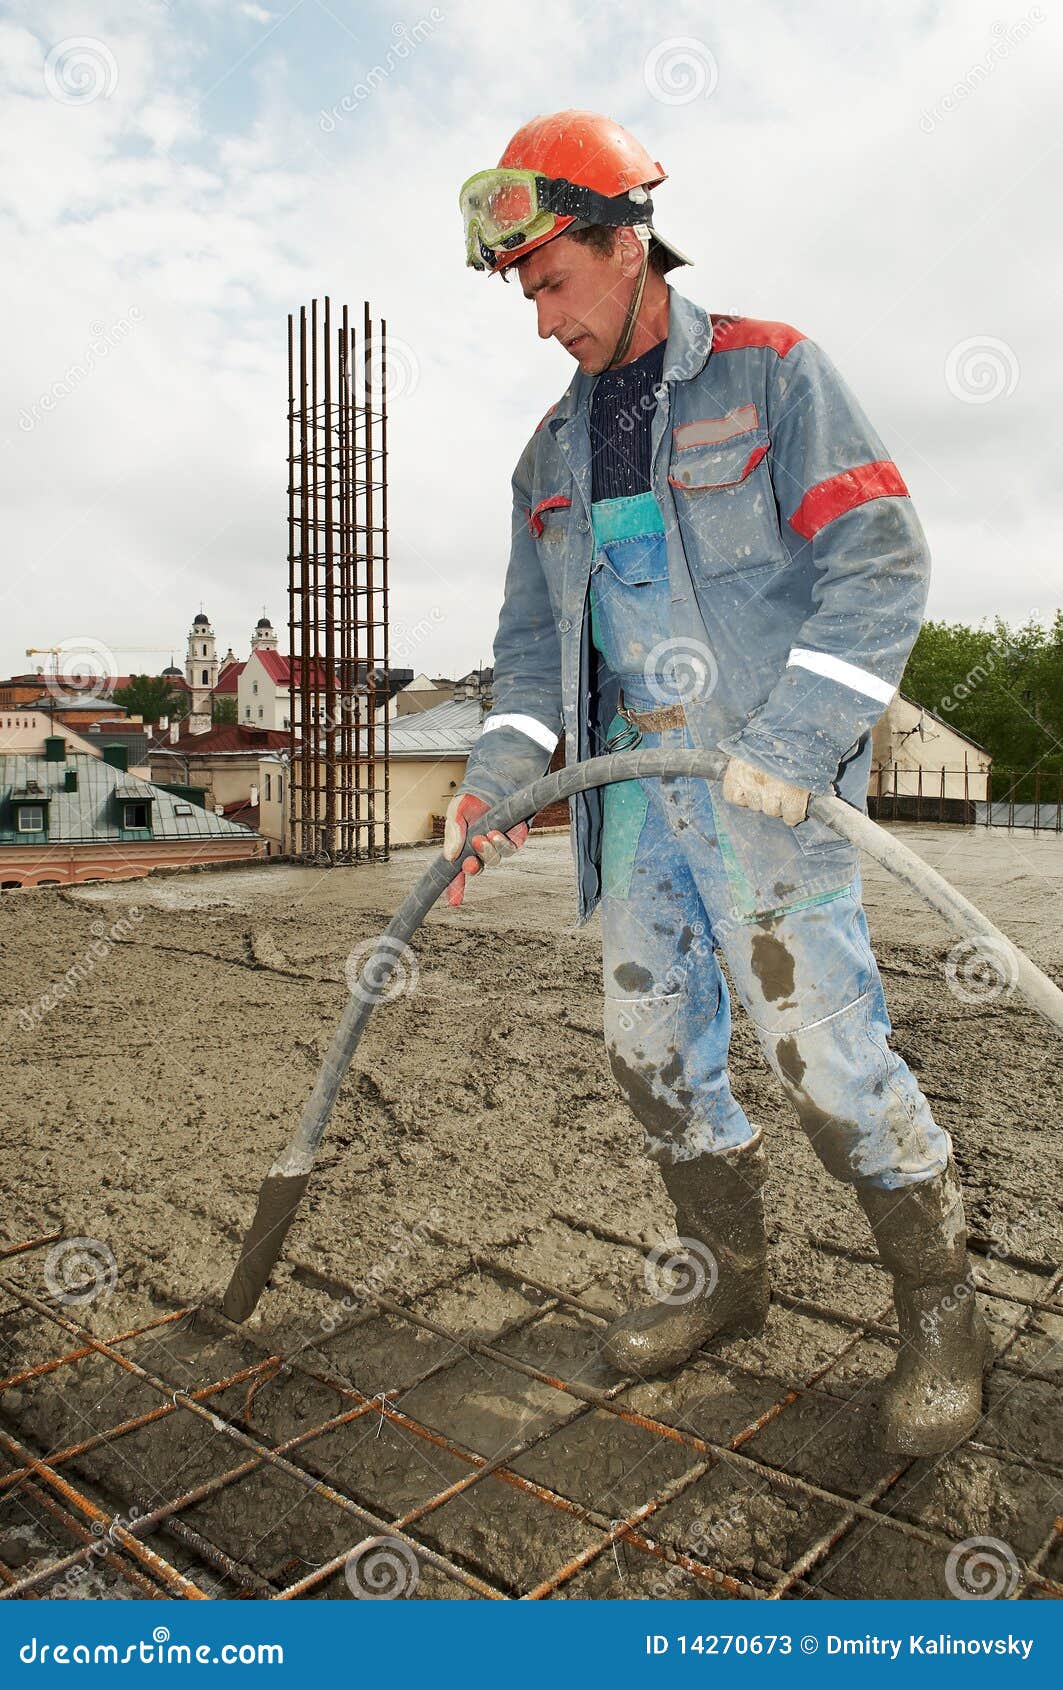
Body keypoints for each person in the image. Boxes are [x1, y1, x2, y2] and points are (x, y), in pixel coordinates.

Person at [443, 110, 988, 1456]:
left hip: (762, 792)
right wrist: (490, 783)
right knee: (647, 1056)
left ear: (627, 244)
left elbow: (880, 561)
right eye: (523, 292)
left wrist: (798, 744)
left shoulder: (772, 376)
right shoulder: (546, 460)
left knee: (830, 1066)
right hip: (638, 794)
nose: (538, 319)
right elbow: (526, 658)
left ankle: (942, 1312)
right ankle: (728, 1282)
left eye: (551, 281)